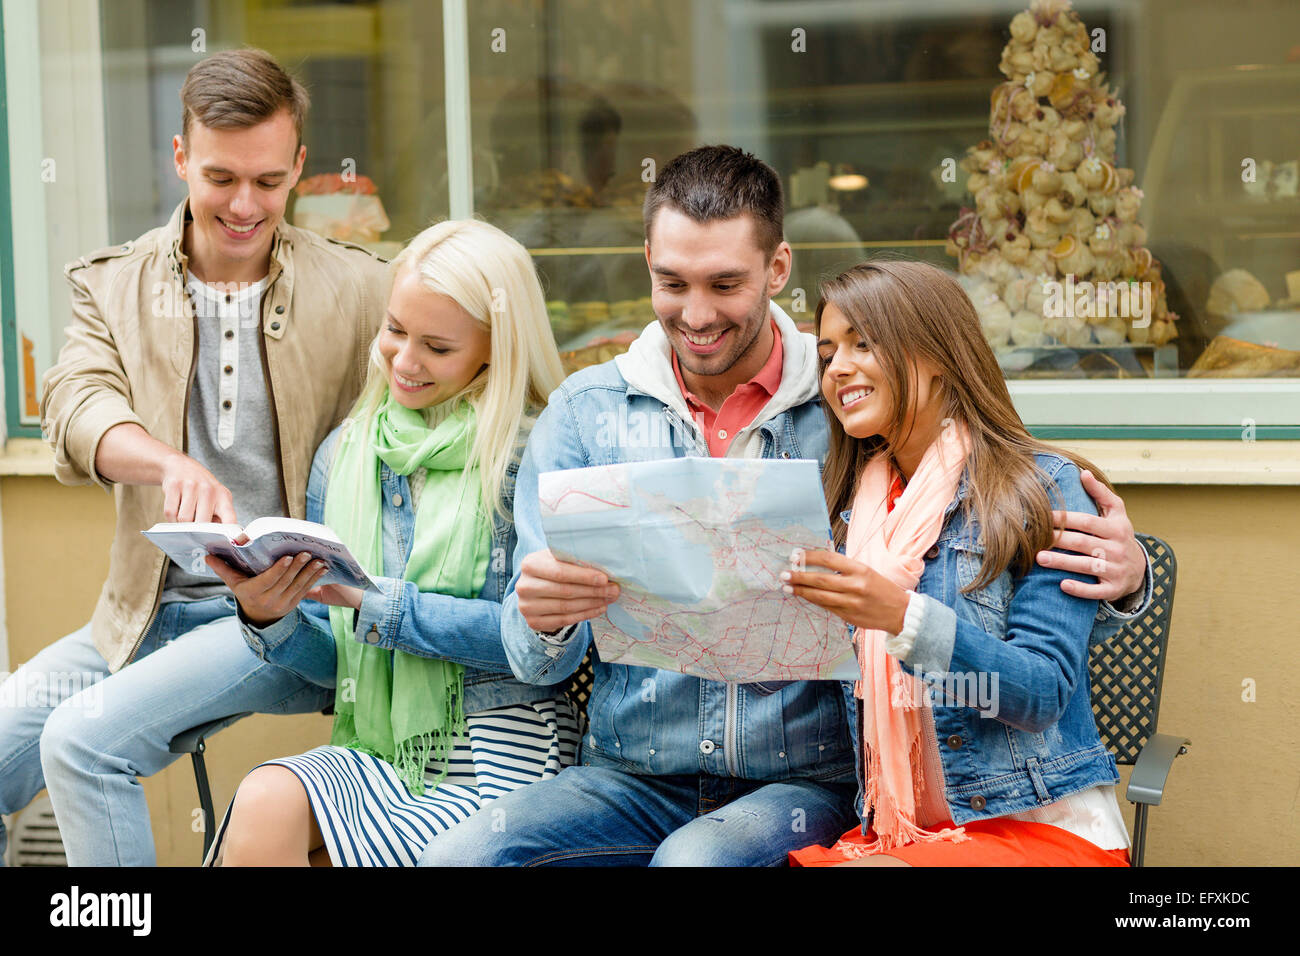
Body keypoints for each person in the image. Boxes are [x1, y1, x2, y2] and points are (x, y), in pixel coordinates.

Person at [418, 145, 1150, 868]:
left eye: (724, 284)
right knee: (459, 857)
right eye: (672, 282)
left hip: (805, 781)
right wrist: (542, 619)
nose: (696, 314)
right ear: (646, 260)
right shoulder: (587, 416)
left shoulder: (842, 419)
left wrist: (1128, 575)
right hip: (631, 771)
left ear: (777, 270)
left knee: (696, 862)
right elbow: (529, 654)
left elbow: (997, 585)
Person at [0, 49, 390, 866]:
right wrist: (164, 463)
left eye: (269, 181)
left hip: (291, 624)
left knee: (83, 745)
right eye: (221, 178)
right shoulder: (108, 286)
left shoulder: (363, 290)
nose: (246, 205)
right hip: (140, 616)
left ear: (299, 168)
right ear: (180, 157)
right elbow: (73, 405)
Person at [202, 219, 578, 866]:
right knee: (264, 796)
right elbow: (335, 667)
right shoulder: (346, 454)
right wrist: (269, 615)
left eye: (437, 346)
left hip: (502, 757)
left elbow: (538, 652)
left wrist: (387, 610)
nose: (404, 361)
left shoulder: (532, 456)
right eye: (395, 330)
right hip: (381, 752)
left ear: (497, 346)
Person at [786, 260, 1134, 866]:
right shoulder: (846, 511)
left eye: (863, 343)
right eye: (827, 353)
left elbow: (1040, 694)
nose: (838, 368)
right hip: (903, 831)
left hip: (1037, 822)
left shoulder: (1040, 490)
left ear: (938, 354)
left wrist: (904, 618)